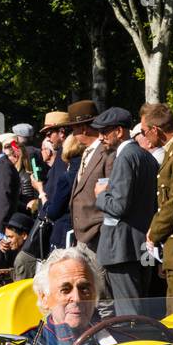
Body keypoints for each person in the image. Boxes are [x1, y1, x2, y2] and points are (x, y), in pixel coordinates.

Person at [91, 106, 159, 304]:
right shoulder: (146, 156)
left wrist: (100, 196)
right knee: (139, 308)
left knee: (129, 314)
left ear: (119, 131)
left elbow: (119, 206)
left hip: (123, 250)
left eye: (104, 132)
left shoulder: (126, 157)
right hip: (140, 247)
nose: (100, 137)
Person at [145, 106, 173, 312]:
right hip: (172, 246)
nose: (144, 137)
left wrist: (154, 232)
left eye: (145, 131)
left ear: (156, 130)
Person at [67, 99, 112, 254]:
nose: (72, 134)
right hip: (84, 235)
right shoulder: (86, 152)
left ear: (84, 129)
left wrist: (102, 228)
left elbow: (111, 194)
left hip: (98, 235)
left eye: (74, 129)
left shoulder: (106, 153)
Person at [0, 212, 39, 282]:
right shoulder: (25, 250)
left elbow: (20, 289)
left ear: (24, 235)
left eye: (11, 237)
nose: (7, 241)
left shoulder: (23, 258)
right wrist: (10, 272)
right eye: (6, 237)